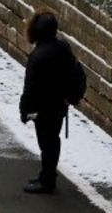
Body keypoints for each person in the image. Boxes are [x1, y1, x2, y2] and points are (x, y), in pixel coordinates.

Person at [19, 10, 75, 194]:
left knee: (47, 143)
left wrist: (24, 110)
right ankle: (46, 176)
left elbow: (30, 87)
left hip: (43, 108)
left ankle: (47, 180)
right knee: (52, 141)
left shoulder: (38, 56)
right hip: (59, 105)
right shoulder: (63, 48)